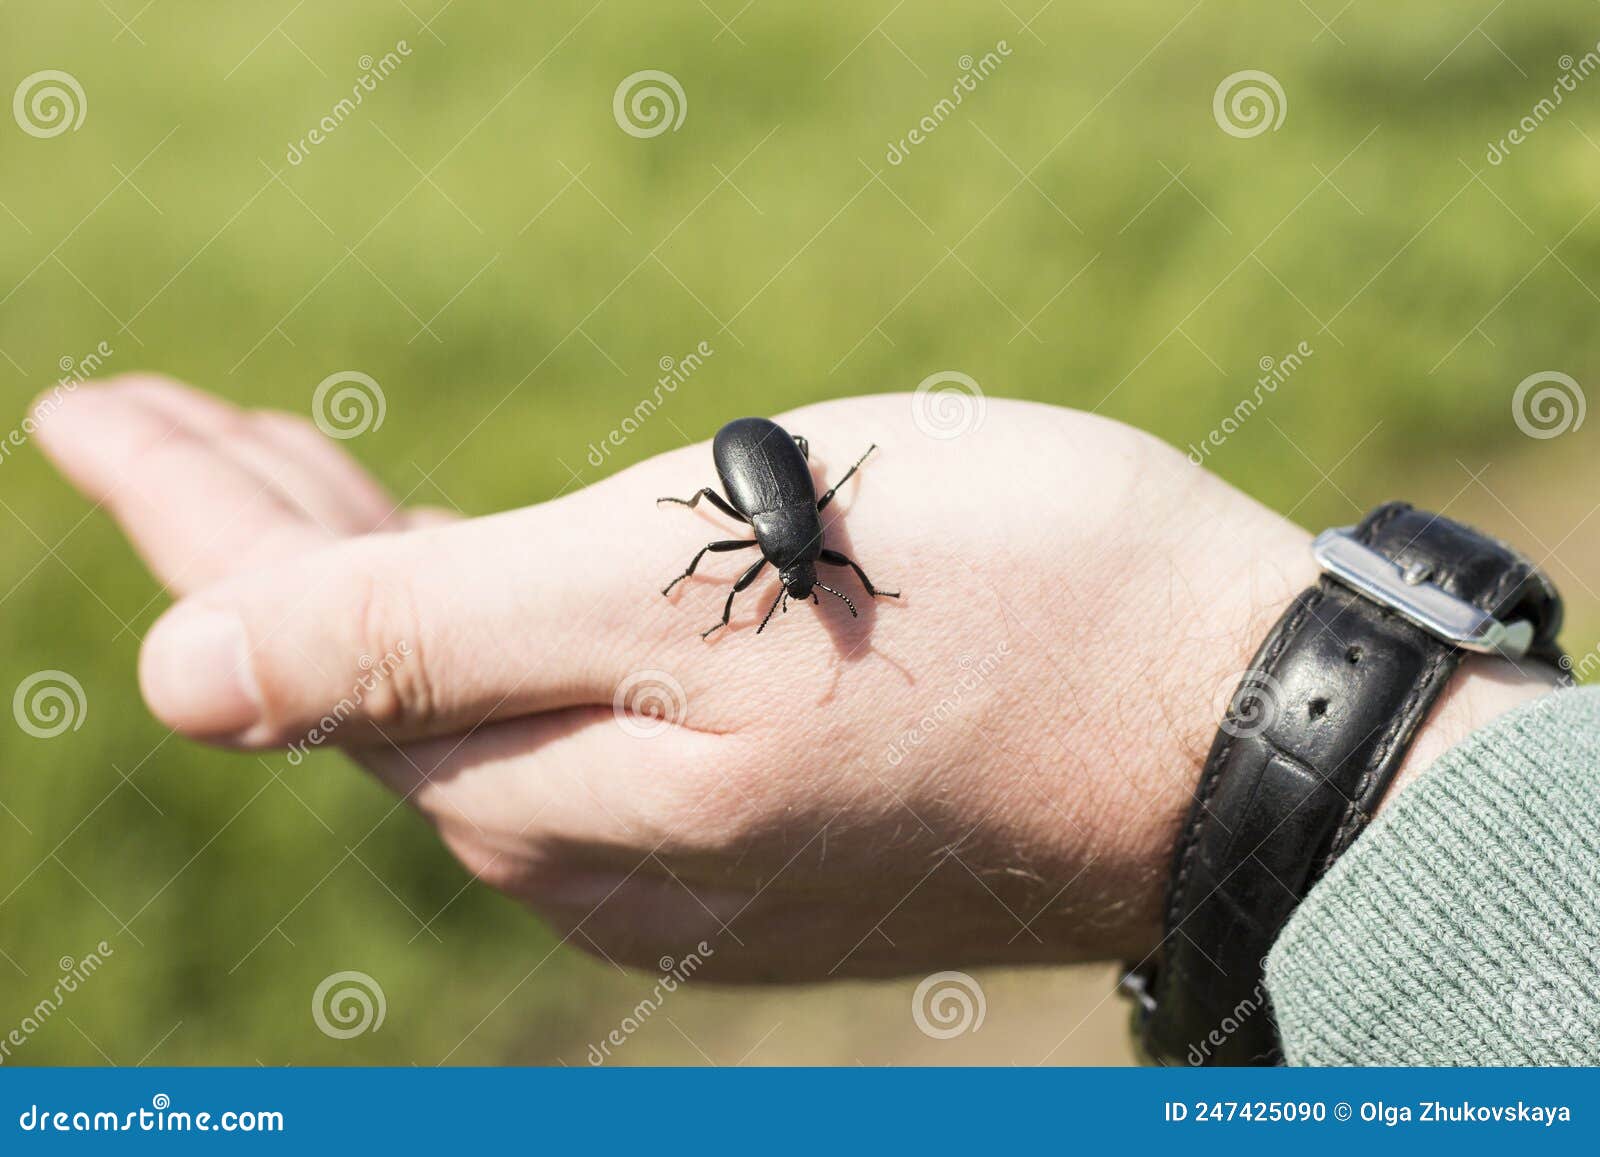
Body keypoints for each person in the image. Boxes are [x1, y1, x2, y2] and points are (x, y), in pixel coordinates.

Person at [30, 376, 1598, 1064]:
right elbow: (758, 544)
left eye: (806, 581)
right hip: (752, 455)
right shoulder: (787, 546)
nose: (808, 590)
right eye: (803, 582)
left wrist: (1159, 690)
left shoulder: (817, 547)